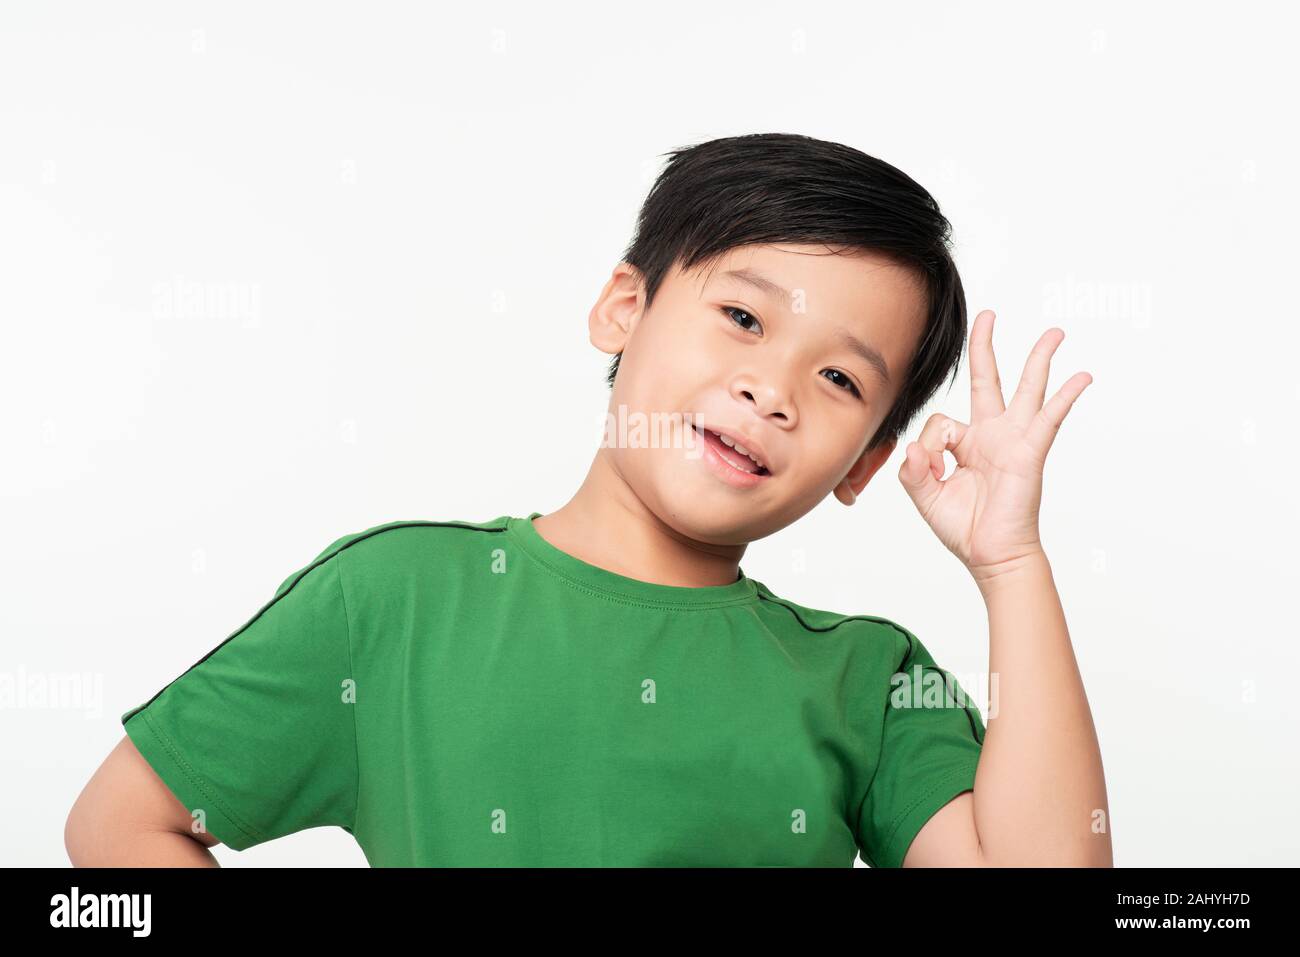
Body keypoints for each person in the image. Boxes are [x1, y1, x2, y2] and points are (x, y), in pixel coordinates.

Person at [65, 132, 1107, 867]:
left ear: (865, 463)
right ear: (623, 308)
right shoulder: (394, 600)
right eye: (742, 316)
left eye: (839, 379)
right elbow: (119, 824)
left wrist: (1008, 564)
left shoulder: (868, 682)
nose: (771, 390)